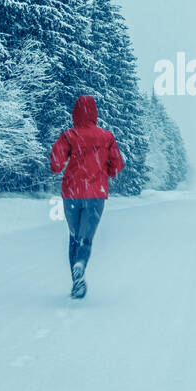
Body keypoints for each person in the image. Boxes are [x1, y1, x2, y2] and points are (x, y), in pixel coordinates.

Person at [49, 95, 124, 299]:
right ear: (94, 113)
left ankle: (77, 282)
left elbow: (55, 162)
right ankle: (81, 263)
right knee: (85, 239)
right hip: (95, 195)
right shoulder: (106, 137)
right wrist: (106, 170)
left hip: (72, 194)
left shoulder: (69, 135)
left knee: (73, 237)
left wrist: (63, 164)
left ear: (75, 113)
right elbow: (118, 164)